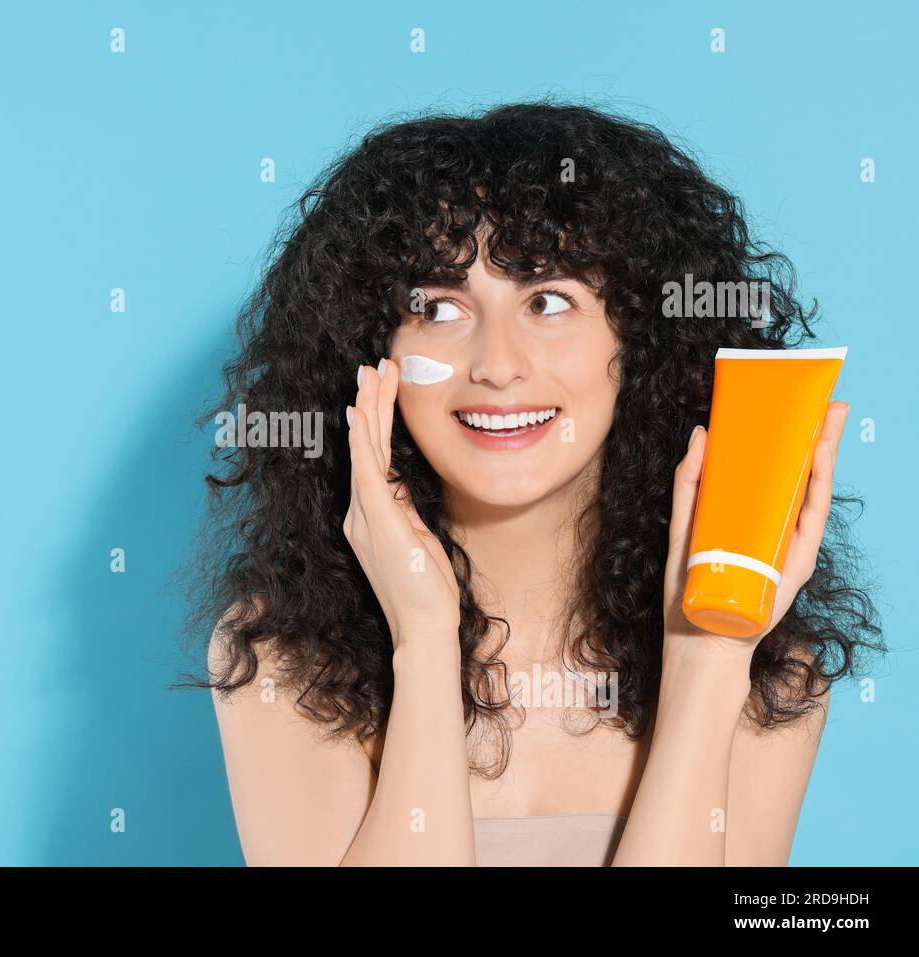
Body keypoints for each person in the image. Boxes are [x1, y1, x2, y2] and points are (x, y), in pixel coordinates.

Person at [189, 101, 884, 866]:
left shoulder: (767, 668)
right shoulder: (284, 655)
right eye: (439, 307)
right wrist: (422, 642)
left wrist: (708, 660)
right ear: (370, 356)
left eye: (548, 301)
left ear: (642, 343)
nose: (497, 363)